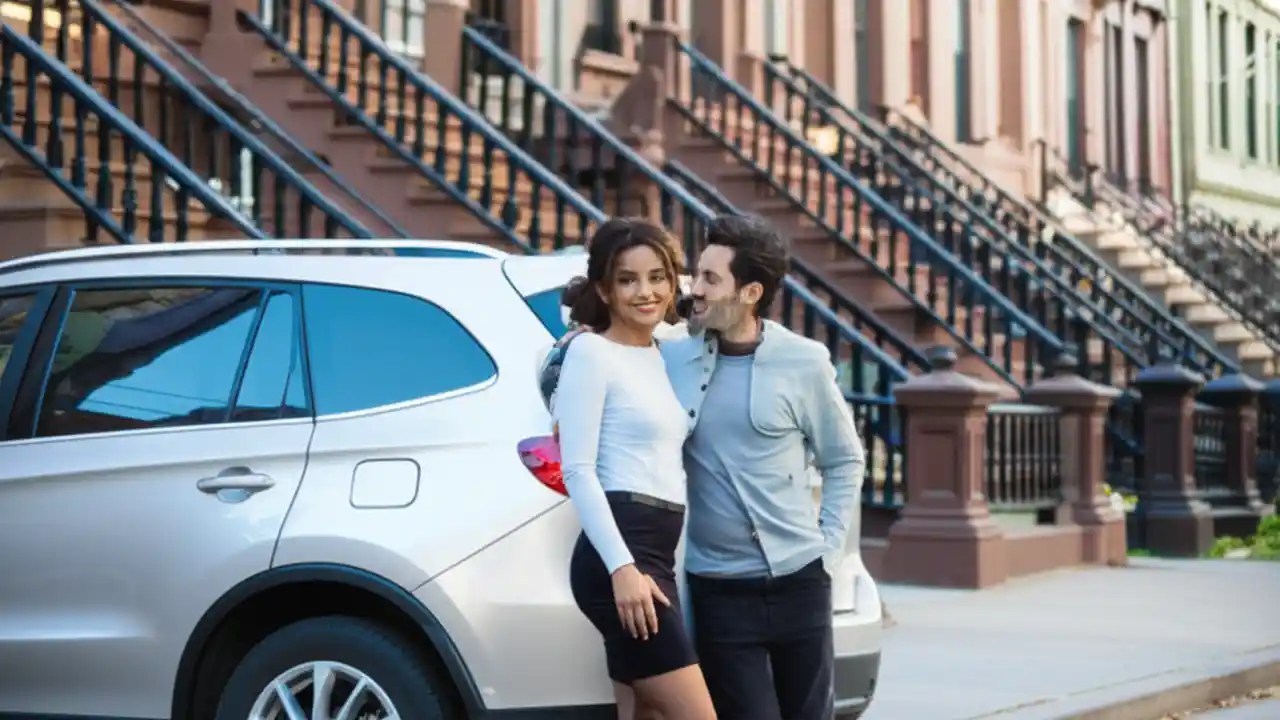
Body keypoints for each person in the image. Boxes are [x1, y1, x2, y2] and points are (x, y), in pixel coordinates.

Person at [660, 214, 865, 720]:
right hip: (719, 588)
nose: (695, 289)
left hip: (800, 580)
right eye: (697, 274)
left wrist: (828, 552)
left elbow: (844, 459)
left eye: (711, 279)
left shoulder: (805, 361)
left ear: (750, 292)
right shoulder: (671, 356)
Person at [550, 217, 718, 720]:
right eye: (627, 280)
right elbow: (578, 470)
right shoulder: (590, 352)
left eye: (657, 277)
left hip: (657, 555)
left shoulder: (663, 351)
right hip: (622, 557)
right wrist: (622, 569)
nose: (645, 292)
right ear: (604, 288)